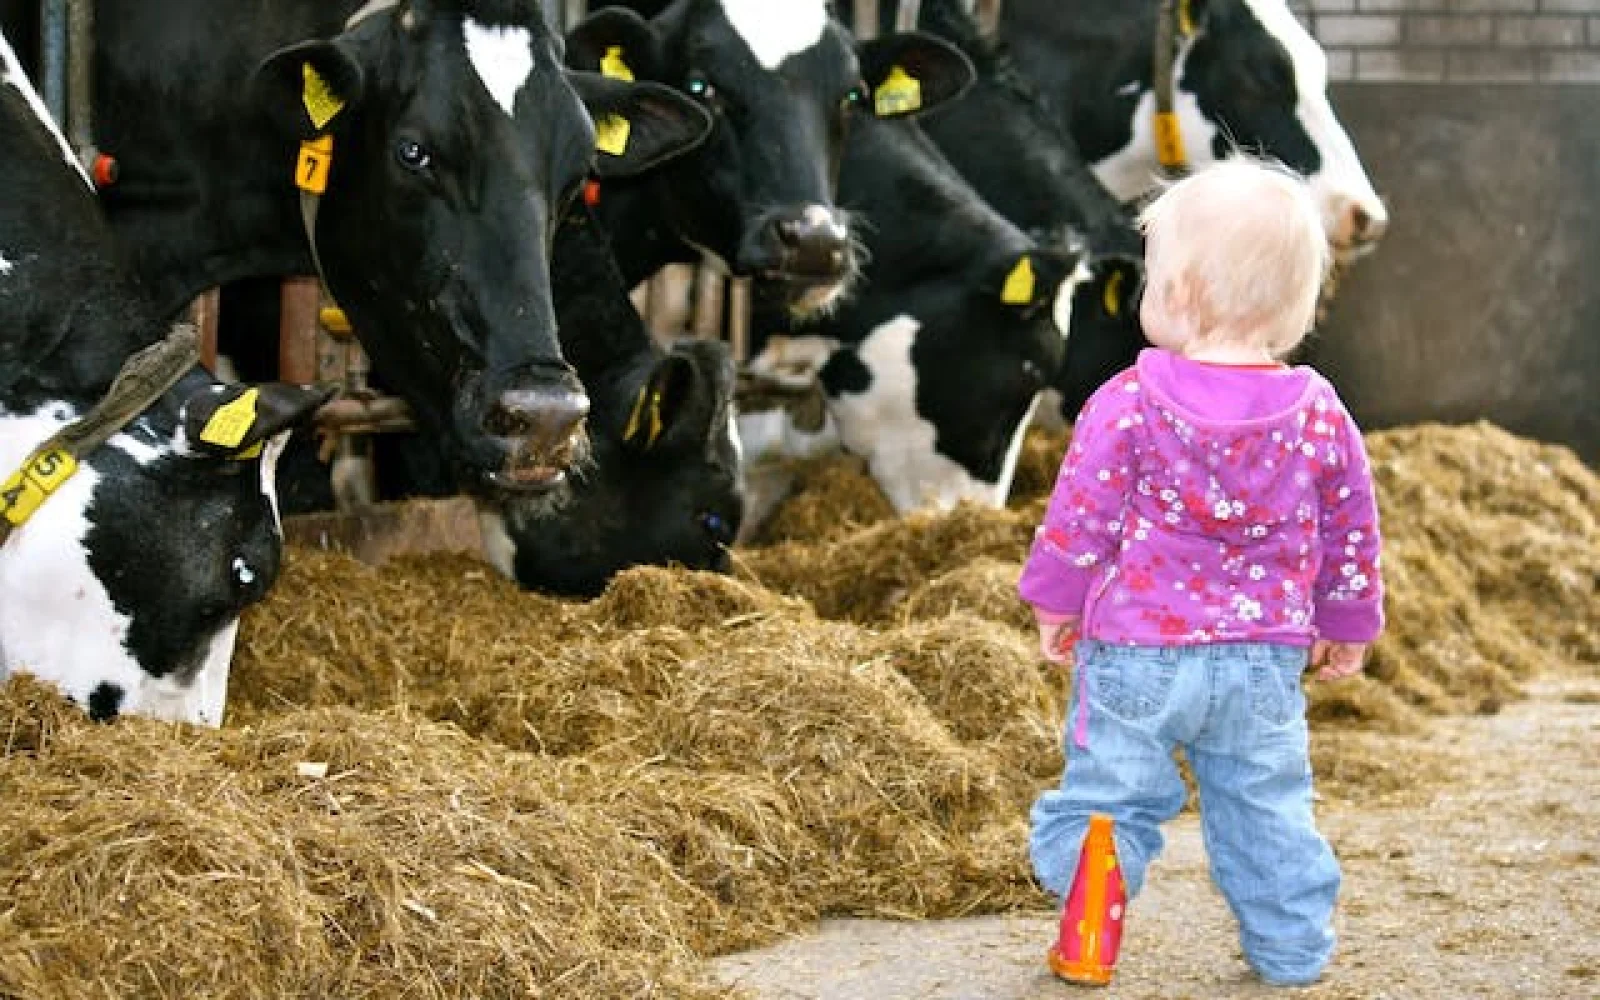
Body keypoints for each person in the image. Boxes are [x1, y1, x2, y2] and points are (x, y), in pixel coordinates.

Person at [1017, 157, 1384, 987]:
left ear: (1175, 294)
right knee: (1267, 806)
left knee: (1111, 794)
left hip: (1137, 654)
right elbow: (1352, 529)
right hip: (1261, 661)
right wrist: (1346, 624)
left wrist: (1057, 601)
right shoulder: (1321, 412)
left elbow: (1081, 517)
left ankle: (1087, 930)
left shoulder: (1129, 400)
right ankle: (1291, 951)